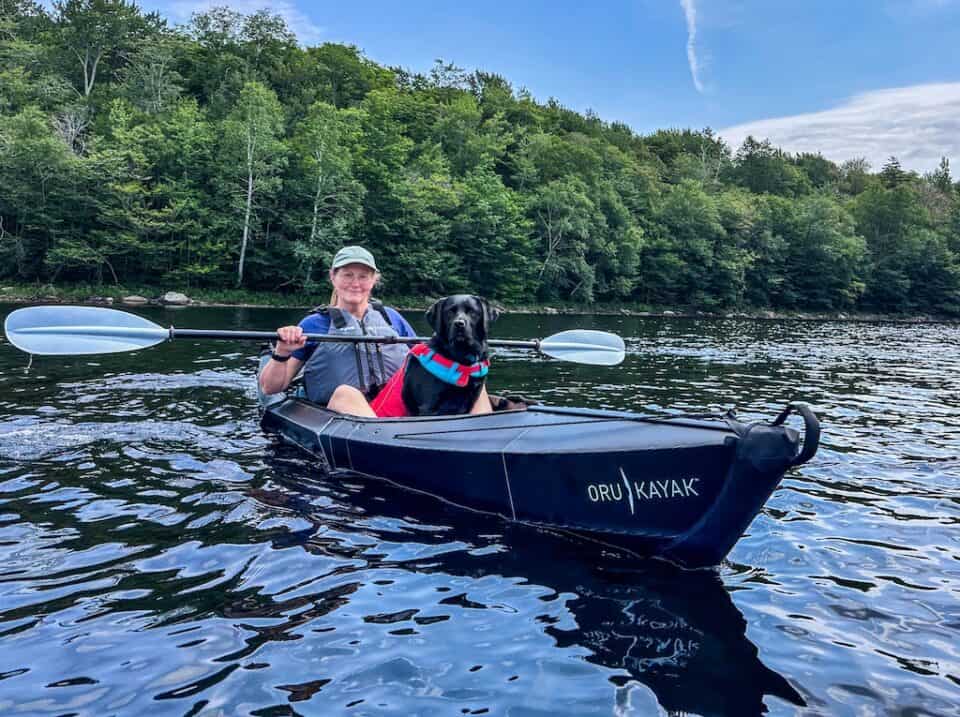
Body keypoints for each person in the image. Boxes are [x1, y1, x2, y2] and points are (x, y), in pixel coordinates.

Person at [258, 246, 416, 415]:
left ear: (373, 280)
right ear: (333, 277)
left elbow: (424, 360)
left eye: (363, 276)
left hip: (392, 405)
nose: (355, 284)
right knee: (346, 394)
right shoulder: (315, 324)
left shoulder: (391, 318)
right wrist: (282, 352)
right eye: (347, 275)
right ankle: (382, 436)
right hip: (340, 412)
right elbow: (270, 388)